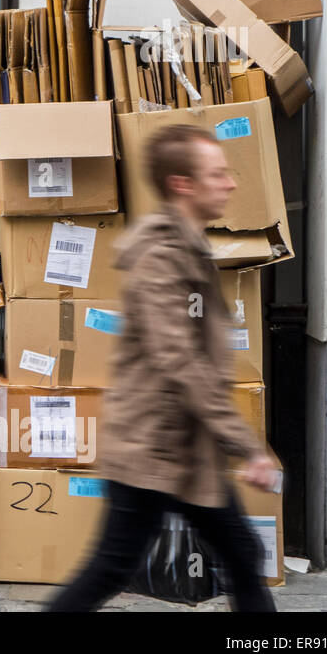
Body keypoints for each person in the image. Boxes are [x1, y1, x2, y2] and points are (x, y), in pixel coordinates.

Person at [47, 124, 279, 613]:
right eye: (218, 174)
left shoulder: (188, 247)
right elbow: (180, 361)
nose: (231, 183)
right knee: (112, 567)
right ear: (183, 185)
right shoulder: (160, 259)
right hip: (151, 450)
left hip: (183, 449)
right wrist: (243, 445)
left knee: (242, 555)